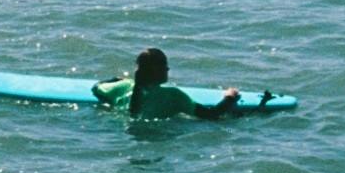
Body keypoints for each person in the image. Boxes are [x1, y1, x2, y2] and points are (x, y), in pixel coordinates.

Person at [93, 46, 249, 121]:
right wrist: (230, 97)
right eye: (165, 65)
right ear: (159, 71)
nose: (168, 68)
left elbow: (96, 88)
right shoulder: (173, 96)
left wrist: (116, 80)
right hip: (158, 136)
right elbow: (211, 115)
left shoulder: (124, 87)